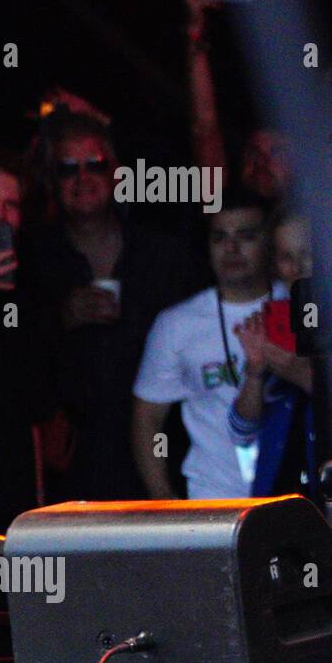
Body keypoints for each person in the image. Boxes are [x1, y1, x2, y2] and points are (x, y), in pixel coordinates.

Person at [24, 111, 200, 500]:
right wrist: (60, 318)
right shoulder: (32, 258)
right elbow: (7, 357)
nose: (82, 179)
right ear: (52, 180)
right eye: (68, 168)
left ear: (117, 174)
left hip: (163, 451)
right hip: (73, 467)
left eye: (95, 165)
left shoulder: (163, 254)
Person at [132, 198, 287, 499]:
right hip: (211, 497)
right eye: (220, 237)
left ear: (269, 241)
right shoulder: (176, 324)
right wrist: (165, 501)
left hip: (292, 494)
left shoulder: (297, 307)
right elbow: (147, 419)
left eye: (246, 235)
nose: (232, 248)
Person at [0, 150, 57, 532]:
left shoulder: (27, 290)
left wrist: (35, 509)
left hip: (7, 493)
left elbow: (32, 413)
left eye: (11, 204)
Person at [181, 0, 292, 206]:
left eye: (275, 153)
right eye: (252, 153)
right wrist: (195, 31)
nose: (261, 162)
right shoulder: (226, 207)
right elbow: (205, 127)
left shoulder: (323, 215)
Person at [228, 206, 317, 500]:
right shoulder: (273, 321)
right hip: (277, 499)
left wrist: (297, 371)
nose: (298, 267)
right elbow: (241, 430)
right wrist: (255, 369)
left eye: (306, 253)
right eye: (286, 257)